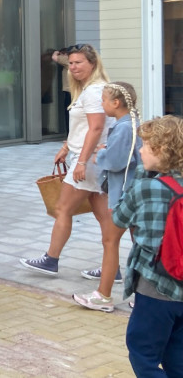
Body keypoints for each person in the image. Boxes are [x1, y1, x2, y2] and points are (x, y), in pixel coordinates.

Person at [21, 44, 116, 279]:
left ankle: (50, 260)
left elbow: (96, 128)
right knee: (104, 216)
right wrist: (66, 146)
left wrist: (81, 162)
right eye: (70, 63)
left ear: (92, 64)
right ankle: (113, 270)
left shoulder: (94, 91)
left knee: (63, 208)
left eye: (78, 62)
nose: (73, 67)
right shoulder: (93, 89)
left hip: (89, 161)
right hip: (95, 159)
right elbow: (85, 127)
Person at [110, 115, 183, 375]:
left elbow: (119, 217)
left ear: (161, 151)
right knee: (177, 356)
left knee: (143, 354)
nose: (140, 150)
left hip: (156, 287)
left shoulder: (146, 188)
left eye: (145, 145)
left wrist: (142, 174)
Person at [73, 82, 142, 312]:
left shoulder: (123, 127)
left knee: (110, 241)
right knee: (139, 244)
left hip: (123, 194)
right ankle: (144, 298)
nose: (101, 105)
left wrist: (101, 154)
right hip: (133, 192)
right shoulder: (130, 123)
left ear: (116, 103)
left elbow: (116, 162)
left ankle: (103, 296)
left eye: (103, 101)